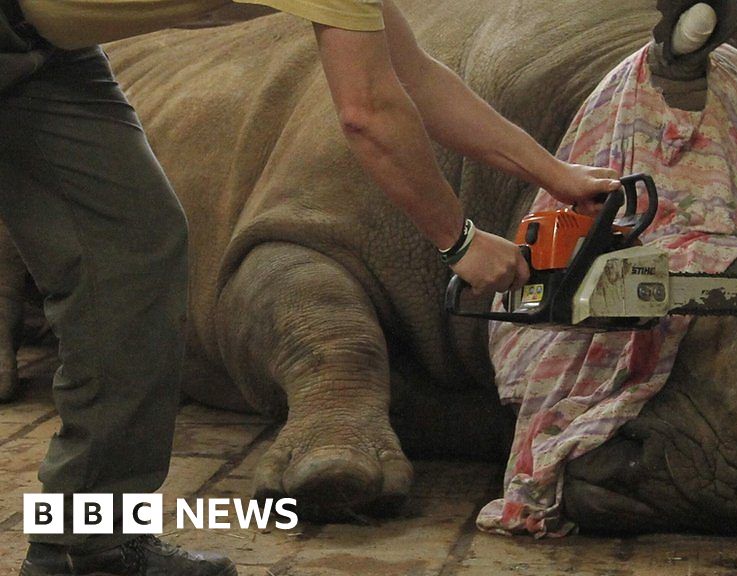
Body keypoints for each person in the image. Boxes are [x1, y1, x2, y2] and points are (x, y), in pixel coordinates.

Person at [0, 0, 619, 574]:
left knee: (136, 254)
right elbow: (368, 113)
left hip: (51, 53)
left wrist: (556, 175)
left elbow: (418, 78)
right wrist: (458, 240)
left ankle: (87, 544)